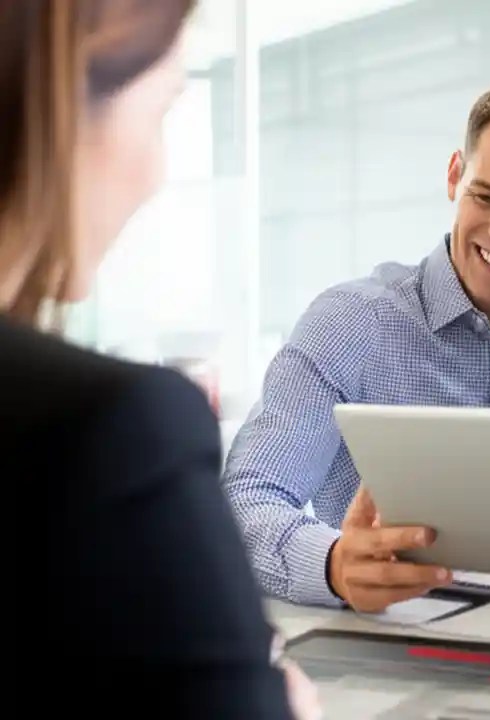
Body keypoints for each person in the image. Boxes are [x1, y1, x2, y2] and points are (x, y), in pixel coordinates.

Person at [0, 1, 317, 717]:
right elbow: (257, 498)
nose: (157, 173)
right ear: (61, 96)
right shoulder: (113, 432)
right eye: (166, 109)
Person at [223, 80, 490, 613]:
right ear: (454, 177)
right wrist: (333, 564)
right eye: (486, 197)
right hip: (390, 637)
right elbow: (244, 502)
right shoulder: (350, 324)